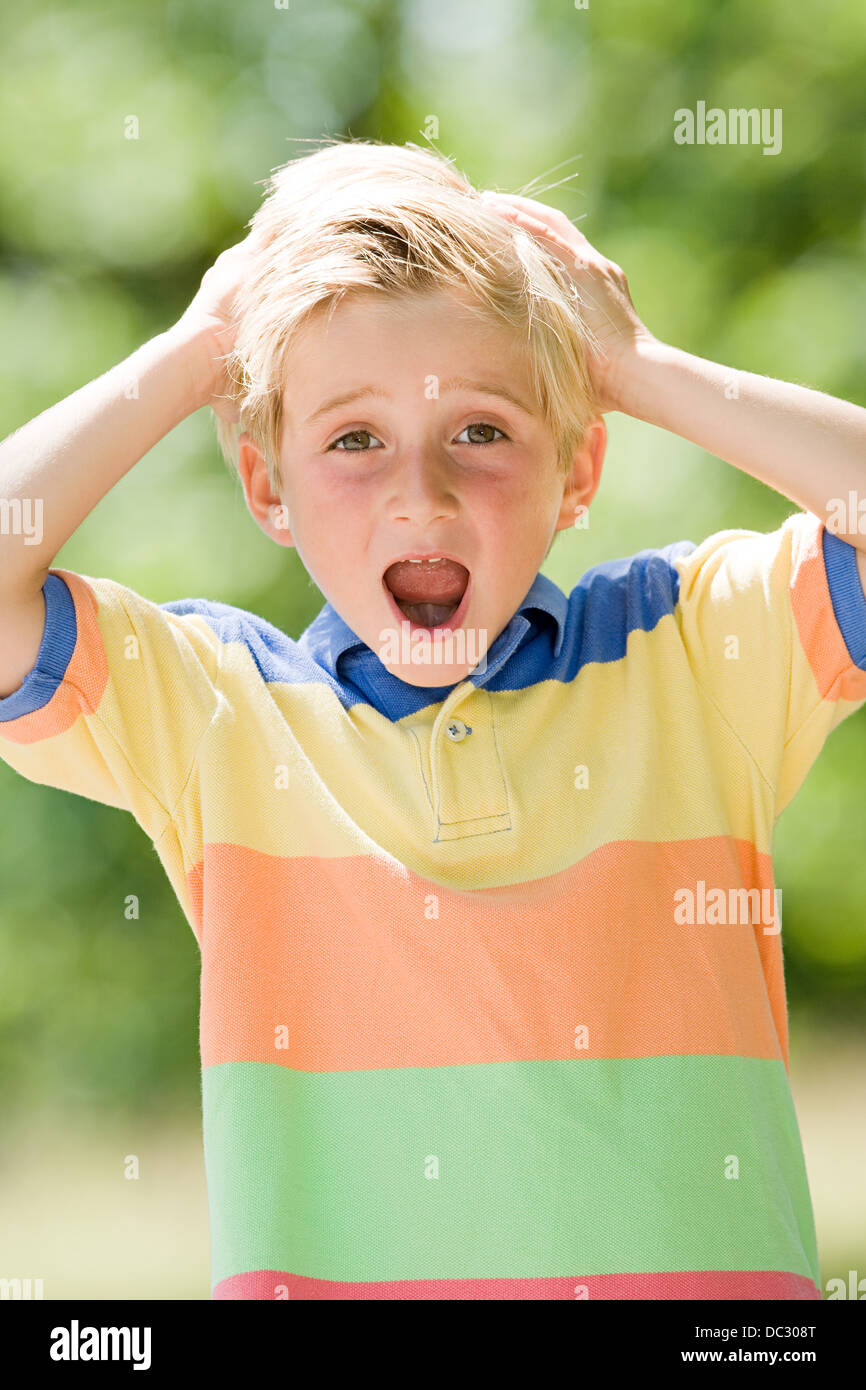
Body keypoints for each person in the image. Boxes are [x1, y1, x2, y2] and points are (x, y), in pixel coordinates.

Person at [1, 137, 865, 1300]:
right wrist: (194, 350)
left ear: (576, 471)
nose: (422, 492)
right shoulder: (216, 708)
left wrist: (636, 361)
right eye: (351, 439)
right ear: (267, 487)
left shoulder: (694, 650)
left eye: (482, 429)